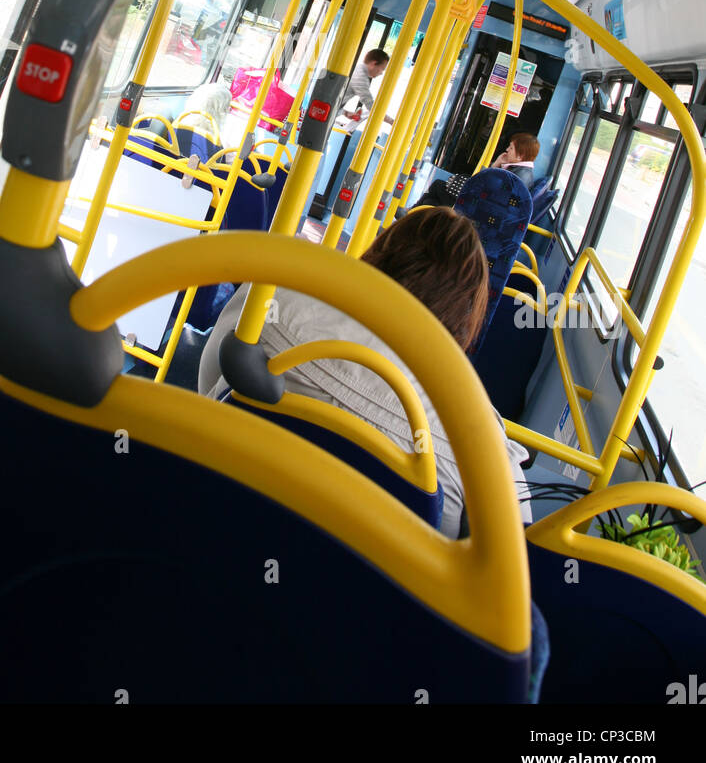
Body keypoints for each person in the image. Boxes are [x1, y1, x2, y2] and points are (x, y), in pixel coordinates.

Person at [198, 205, 532, 539]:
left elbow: (208, 390)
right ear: (464, 318)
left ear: (379, 254)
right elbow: (511, 563)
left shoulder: (273, 302)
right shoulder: (481, 441)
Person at [339, 47, 395, 126]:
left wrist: (346, 113)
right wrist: (392, 122)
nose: (381, 73)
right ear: (373, 64)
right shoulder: (361, 78)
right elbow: (372, 107)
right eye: (382, 68)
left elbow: (336, 100)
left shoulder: (357, 69)